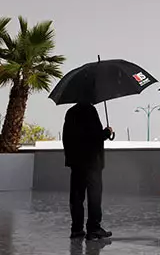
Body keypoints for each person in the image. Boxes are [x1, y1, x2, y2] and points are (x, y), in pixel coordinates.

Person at [63, 102, 114, 240]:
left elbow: (66, 138)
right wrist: (107, 132)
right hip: (92, 163)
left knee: (77, 197)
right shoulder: (90, 110)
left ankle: (76, 229)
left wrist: (70, 159)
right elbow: (94, 136)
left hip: (76, 163)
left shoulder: (70, 112)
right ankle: (94, 228)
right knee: (94, 196)